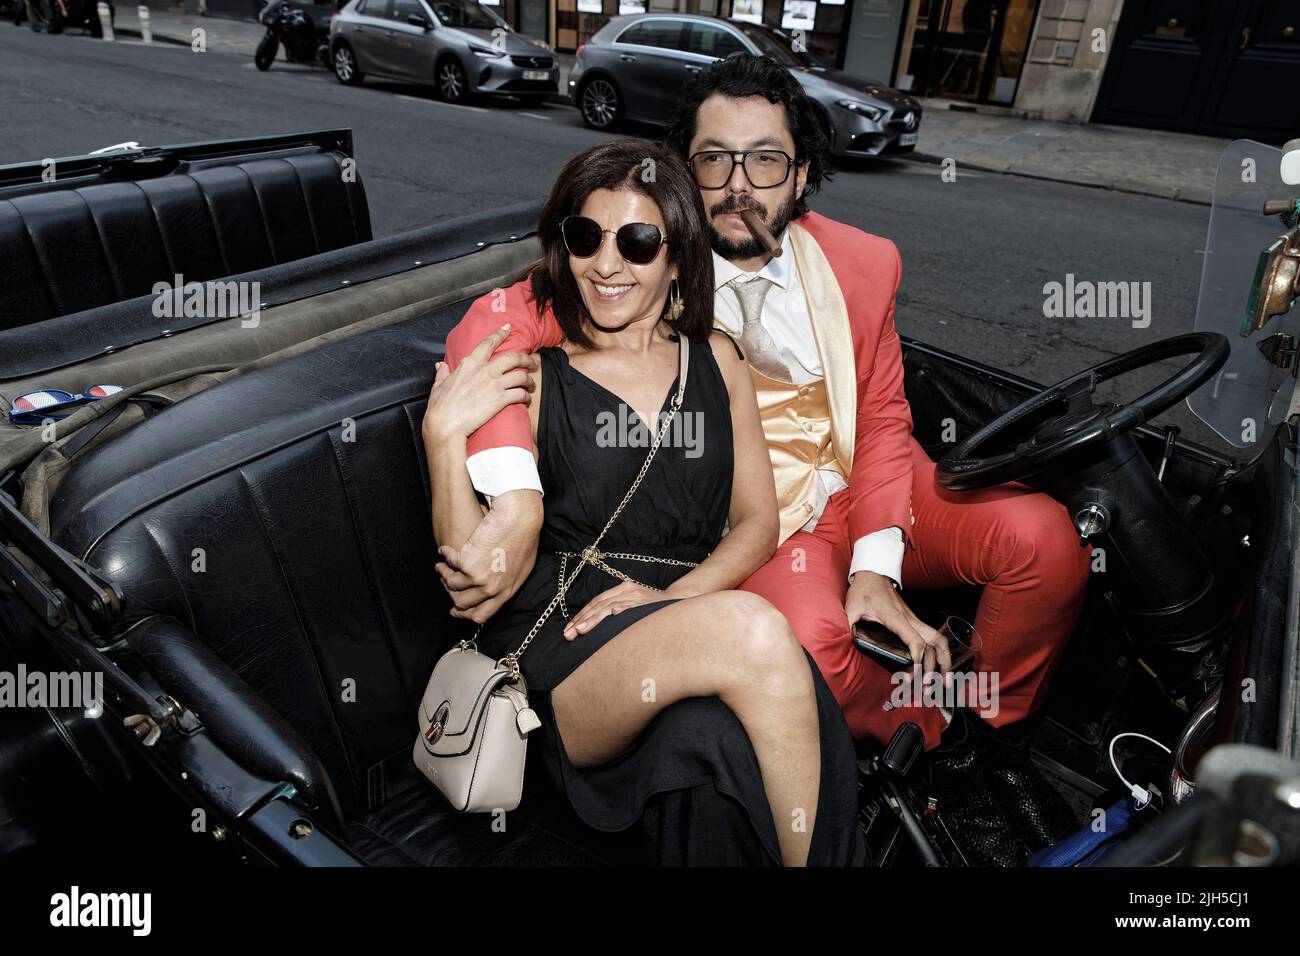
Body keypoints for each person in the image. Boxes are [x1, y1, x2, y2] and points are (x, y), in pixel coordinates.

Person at [440, 54, 1091, 865]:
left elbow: (885, 419)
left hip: (865, 480)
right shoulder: (641, 260)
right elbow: (489, 326)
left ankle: (991, 741)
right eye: (714, 159)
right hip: (777, 522)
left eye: (766, 160)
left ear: (802, 174)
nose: (739, 183)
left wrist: (877, 568)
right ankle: (934, 730)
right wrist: (516, 501)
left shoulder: (865, 262)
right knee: (813, 641)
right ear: (686, 170)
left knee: (1047, 543)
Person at [421, 138, 866, 867]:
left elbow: (758, 522)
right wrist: (442, 436)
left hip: (685, 626)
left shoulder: (718, 360)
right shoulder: (538, 373)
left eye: (636, 241)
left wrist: (675, 599)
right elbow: (476, 577)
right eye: (585, 237)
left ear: (676, 253)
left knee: (711, 749)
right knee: (758, 634)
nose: (606, 264)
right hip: (559, 646)